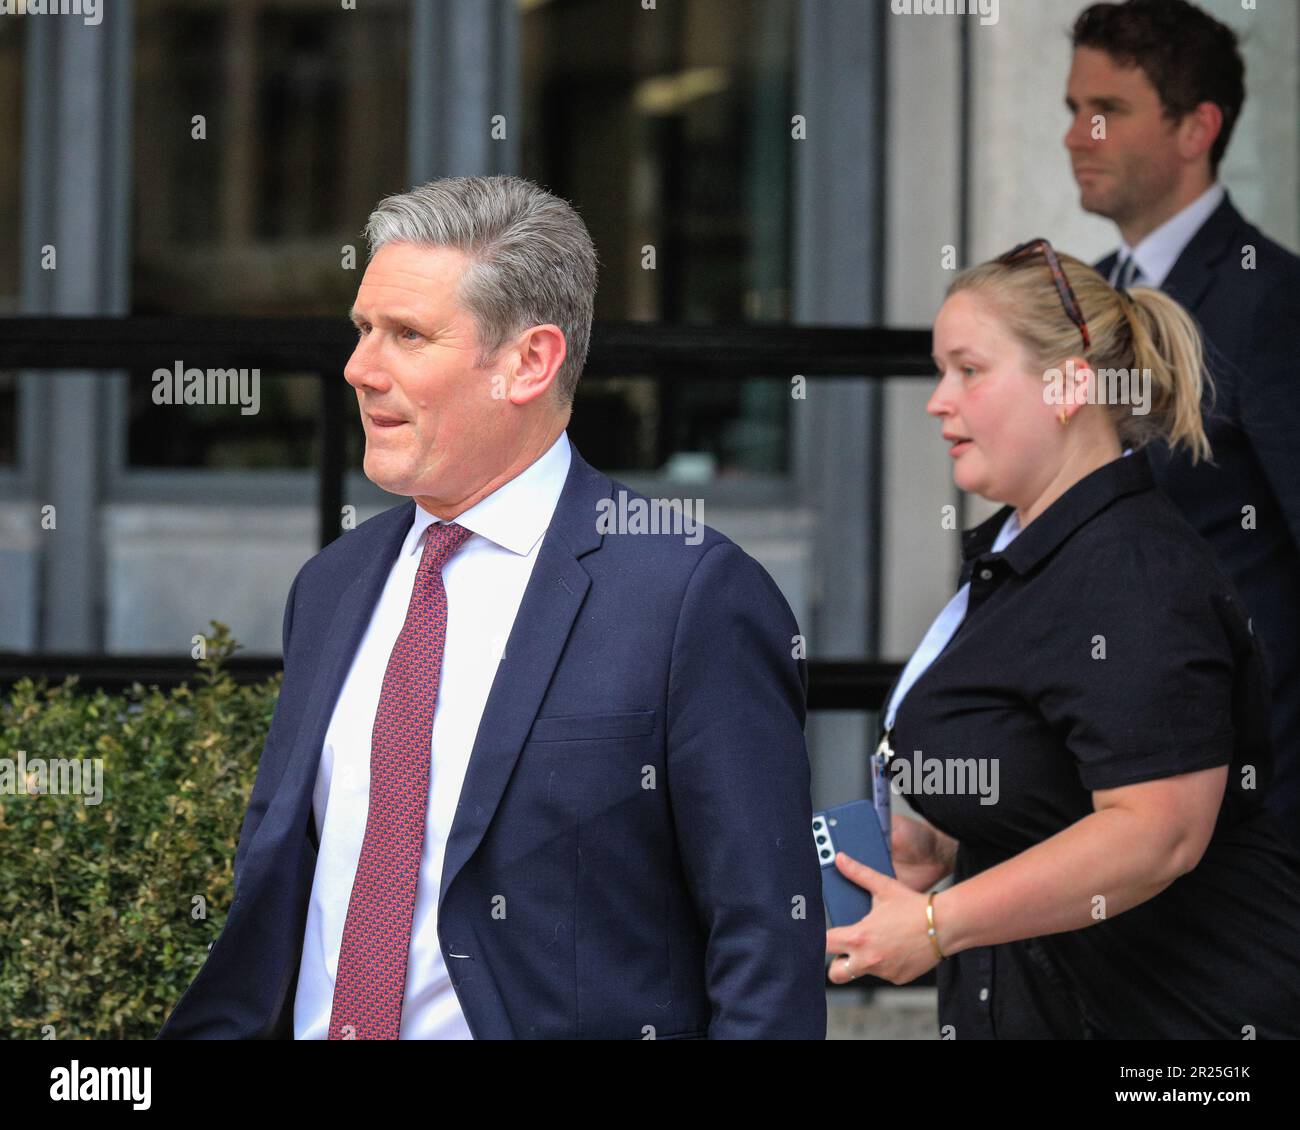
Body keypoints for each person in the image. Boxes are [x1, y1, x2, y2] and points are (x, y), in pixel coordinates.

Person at [158, 175, 826, 1040]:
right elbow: (284, 891)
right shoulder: (332, 586)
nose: (361, 369)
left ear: (529, 362)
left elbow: (768, 943)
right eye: (363, 331)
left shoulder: (689, 596)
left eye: (407, 335)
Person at [825, 239, 1300, 1039]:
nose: (938, 402)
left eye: (969, 370)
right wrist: (946, 835)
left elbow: (1156, 832)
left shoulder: (1135, 573)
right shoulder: (1029, 552)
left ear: (1070, 383)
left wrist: (940, 923)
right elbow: (1056, 774)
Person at [1064, 0, 1300, 853]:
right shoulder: (1077, 297)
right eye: (1070, 110)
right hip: (1097, 780)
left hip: (1241, 814)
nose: (1076, 136)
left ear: (1198, 127)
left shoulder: (1271, 301)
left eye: (1108, 111)